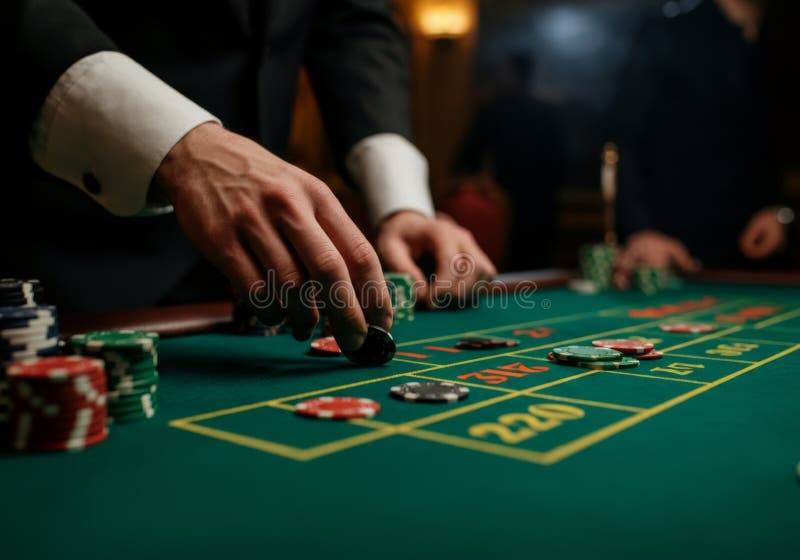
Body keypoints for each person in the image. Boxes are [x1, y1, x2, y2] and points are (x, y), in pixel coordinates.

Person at [8, 1, 495, 352]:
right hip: (62, 245)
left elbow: (353, 21)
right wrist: (182, 144)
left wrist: (403, 203)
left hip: (262, 280)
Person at [610, 0, 794, 285]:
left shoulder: (783, 36)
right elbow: (625, 139)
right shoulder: (667, 31)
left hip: (765, 262)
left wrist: (781, 211)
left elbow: (778, 148)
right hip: (674, 253)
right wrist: (642, 230)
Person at [454, 52, 564, 271]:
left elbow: (467, 158)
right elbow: (562, 162)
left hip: (509, 199)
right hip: (539, 201)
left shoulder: (495, 107)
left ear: (510, 73)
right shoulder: (547, 111)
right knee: (536, 265)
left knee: (512, 268)